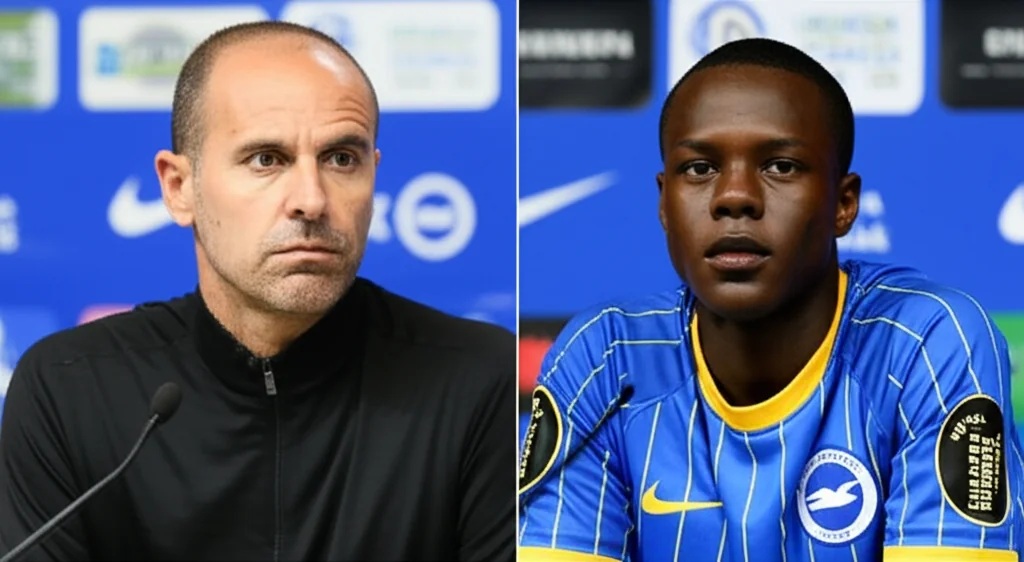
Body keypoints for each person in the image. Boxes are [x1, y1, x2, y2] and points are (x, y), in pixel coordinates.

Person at [0, 21, 515, 561]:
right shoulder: (71, 390)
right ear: (179, 188)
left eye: (342, 159)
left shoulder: (479, 382)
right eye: (266, 159)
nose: (312, 200)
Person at [517, 37, 1023, 562]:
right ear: (664, 203)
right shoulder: (606, 354)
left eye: (780, 166)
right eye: (699, 169)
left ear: (843, 204)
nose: (735, 197)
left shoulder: (926, 341)